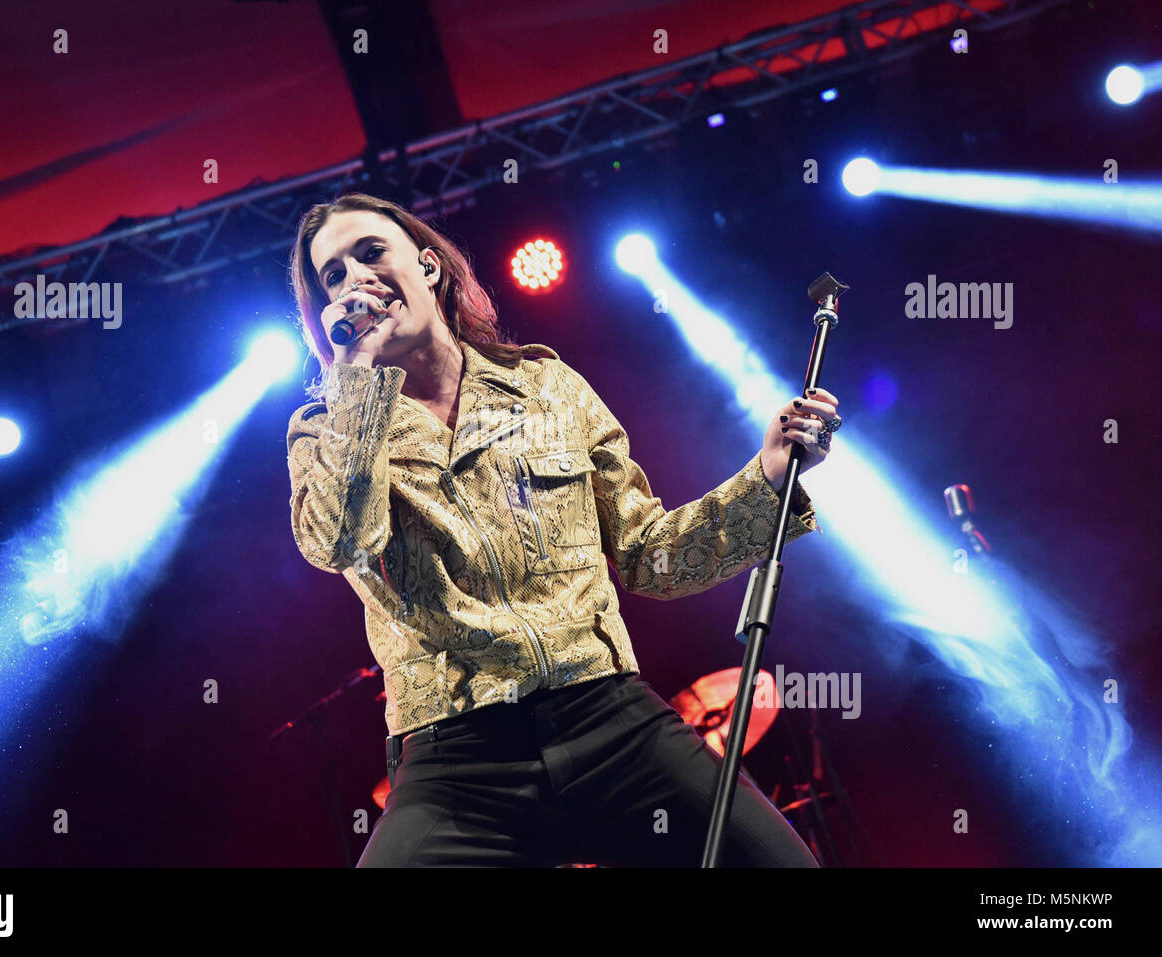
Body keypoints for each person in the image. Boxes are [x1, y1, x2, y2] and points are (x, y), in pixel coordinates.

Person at [285, 192, 842, 867]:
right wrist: (357, 386)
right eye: (333, 276)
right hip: (456, 763)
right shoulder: (326, 428)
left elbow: (650, 557)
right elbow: (337, 542)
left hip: (608, 720)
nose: (355, 282)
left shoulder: (548, 387)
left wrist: (771, 475)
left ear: (428, 266)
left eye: (370, 253)